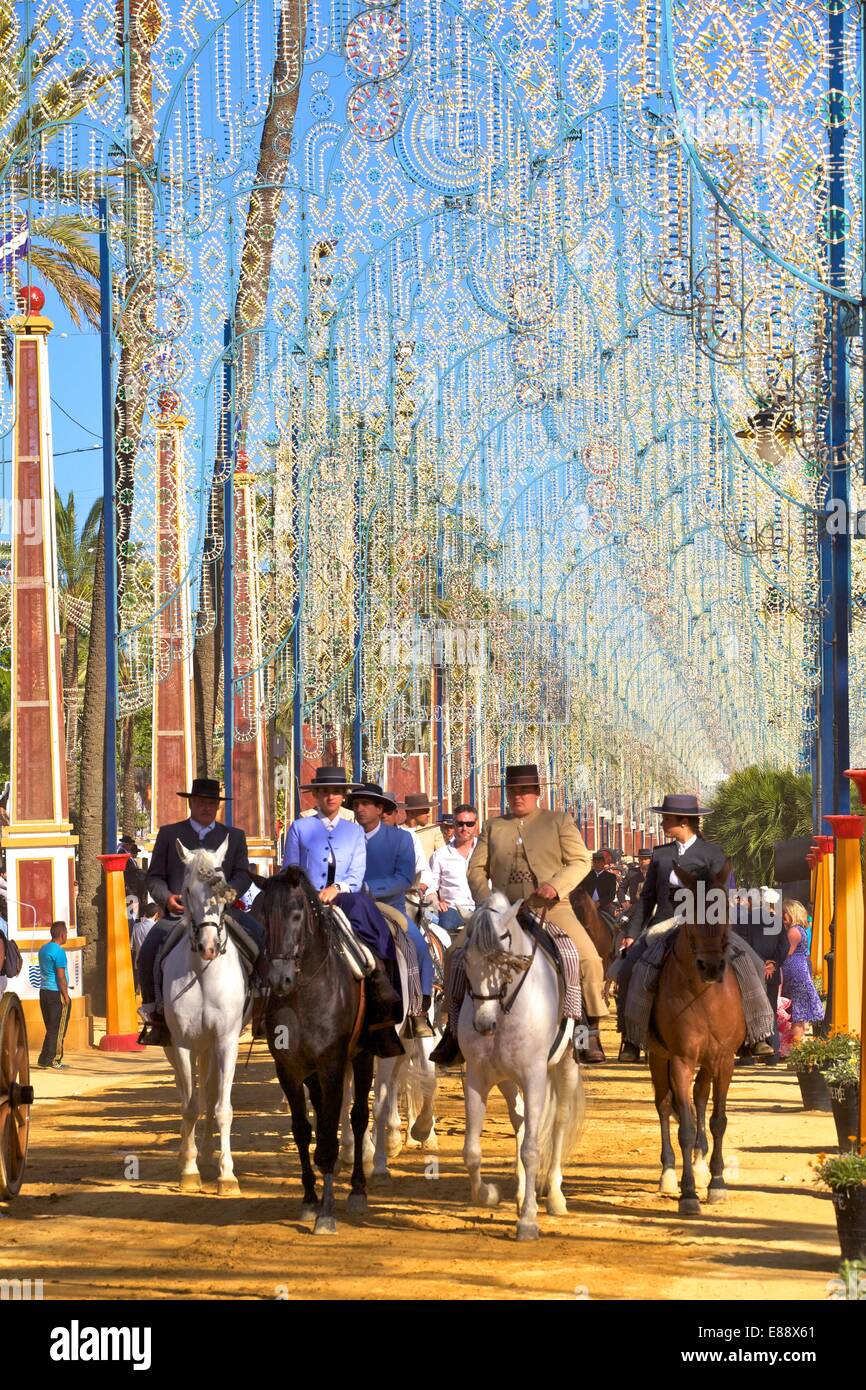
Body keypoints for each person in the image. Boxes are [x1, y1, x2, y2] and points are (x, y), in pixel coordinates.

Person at [431, 763, 608, 1065]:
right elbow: (476, 869)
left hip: (551, 909)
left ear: (537, 792)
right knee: (456, 955)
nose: (518, 796)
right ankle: (452, 1031)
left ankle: (587, 1032)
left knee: (588, 959)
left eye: (524, 790)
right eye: (513, 791)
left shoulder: (558, 821)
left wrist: (556, 886)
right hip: (502, 913)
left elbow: (580, 860)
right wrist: (491, 903)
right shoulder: (493, 826)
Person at [616, 794, 775, 1062]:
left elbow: (723, 894)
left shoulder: (713, 853)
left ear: (683, 821)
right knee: (629, 967)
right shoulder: (661, 855)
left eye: (667, 818)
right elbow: (648, 898)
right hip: (665, 924)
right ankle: (631, 1038)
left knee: (754, 964)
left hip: (706, 925)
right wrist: (632, 935)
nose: (664, 822)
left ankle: (757, 1035)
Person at [282, 767, 402, 1055]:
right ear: (317, 796)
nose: (331, 796)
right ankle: (263, 1003)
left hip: (344, 897)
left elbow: (357, 872)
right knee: (276, 935)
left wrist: (337, 888)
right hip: (305, 901)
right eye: (325, 792)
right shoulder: (300, 828)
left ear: (343, 795)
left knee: (368, 920)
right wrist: (309, 894)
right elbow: (290, 870)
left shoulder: (354, 831)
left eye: (336, 792)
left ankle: (380, 981)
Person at [138, 777, 267, 1042]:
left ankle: (264, 1009)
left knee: (261, 940)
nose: (207, 808)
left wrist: (226, 895)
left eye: (212, 803)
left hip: (223, 913)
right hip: (180, 915)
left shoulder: (234, 836)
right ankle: (155, 1013)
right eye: (201, 802)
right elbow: (154, 877)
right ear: (191, 803)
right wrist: (167, 898)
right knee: (149, 949)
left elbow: (242, 874)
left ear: (217, 807)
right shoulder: (169, 834)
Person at [348, 783, 435, 1011]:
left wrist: (366, 888)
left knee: (419, 948)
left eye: (365, 804)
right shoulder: (344, 837)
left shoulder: (402, 839)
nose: (359, 809)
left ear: (379, 809)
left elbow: (404, 879)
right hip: (348, 906)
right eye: (356, 804)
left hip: (388, 908)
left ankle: (420, 1005)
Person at [734, 887, 792, 1063]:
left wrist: (760, 964)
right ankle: (773, 1056)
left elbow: (742, 947)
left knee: (748, 1012)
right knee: (771, 1011)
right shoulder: (775, 921)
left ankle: (747, 1057)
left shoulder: (742, 921)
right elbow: (785, 945)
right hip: (772, 974)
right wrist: (773, 963)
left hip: (751, 974)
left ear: (751, 902)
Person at [426, 803, 478, 934]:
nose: (464, 828)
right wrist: (436, 902)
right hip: (453, 909)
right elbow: (431, 887)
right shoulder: (440, 855)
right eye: (460, 824)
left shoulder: (485, 850)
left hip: (482, 907)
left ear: (476, 824)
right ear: (454, 825)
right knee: (445, 924)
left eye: (469, 824)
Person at [779, 899, 824, 1046]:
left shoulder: (793, 931)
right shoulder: (801, 930)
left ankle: (797, 1049)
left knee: (797, 1012)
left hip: (795, 972)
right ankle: (796, 1048)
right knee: (799, 1012)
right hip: (800, 970)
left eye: (784, 914)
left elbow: (786, 953)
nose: (782, 917)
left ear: (791, 914)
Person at [37, 921, 71, 1069]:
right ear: (62, 935)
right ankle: (55, 1059)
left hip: (44, 992)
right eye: (66, 934)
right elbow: (60, 976)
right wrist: (66, 994)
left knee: (51, 1028)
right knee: (58, 1029)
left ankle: (44, 1059)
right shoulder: (59, 951)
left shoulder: (43, 949)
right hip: (56, 993)